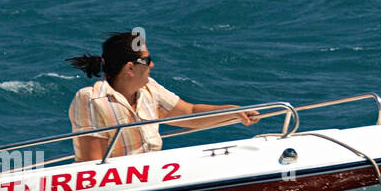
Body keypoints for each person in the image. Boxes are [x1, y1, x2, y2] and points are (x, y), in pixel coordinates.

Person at [66, 33, 260, 162]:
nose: (152, 65)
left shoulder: (150, 89)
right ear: (130, 68)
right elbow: (91, 165)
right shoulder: (90, 99)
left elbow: (190, 113)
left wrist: (234, 112)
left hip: (152, 175)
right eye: (147, 60)